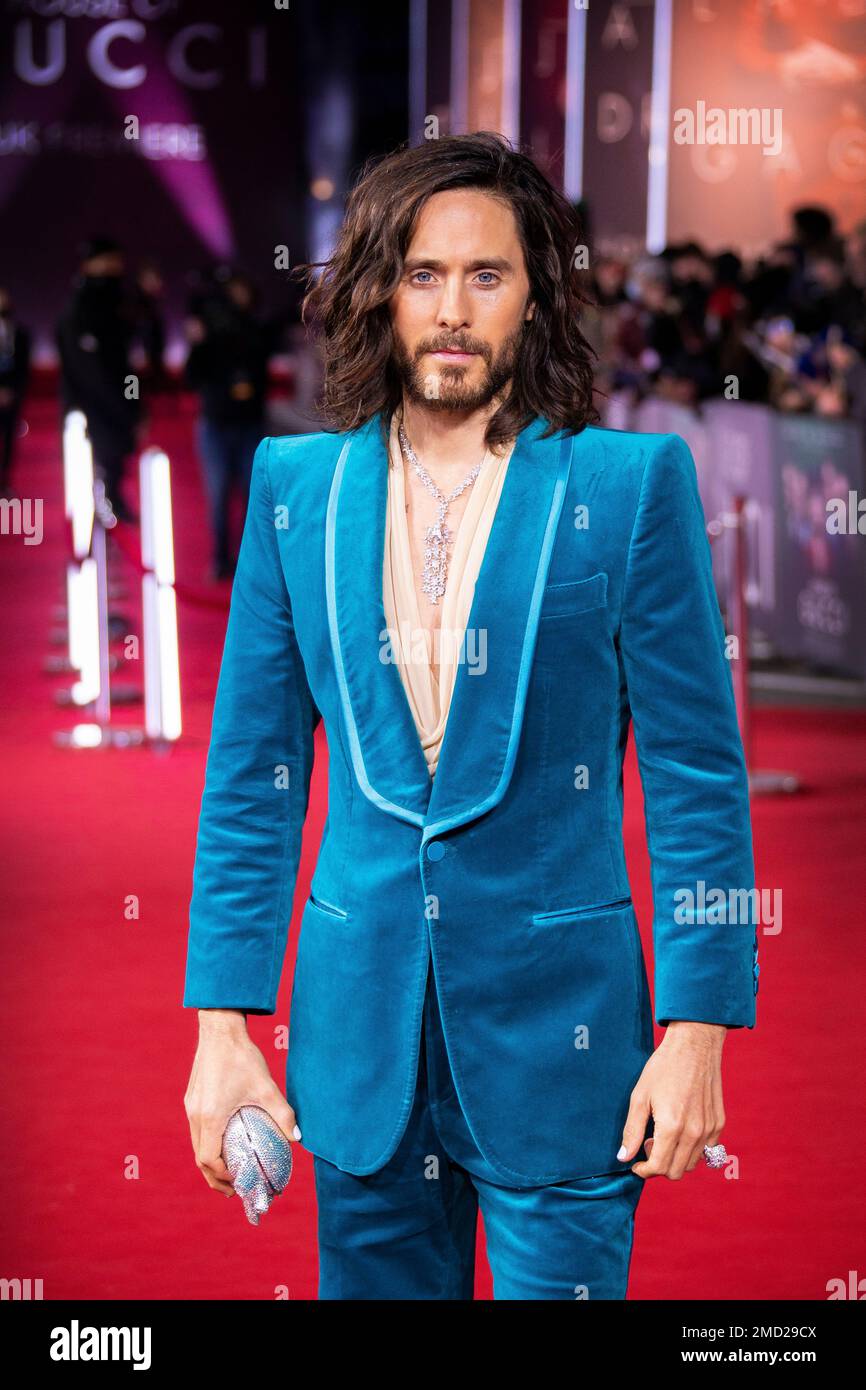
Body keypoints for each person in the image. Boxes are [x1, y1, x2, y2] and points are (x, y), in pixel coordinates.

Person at [182, 133, 759, 1301]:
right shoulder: (296, 489)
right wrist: (221, 1026)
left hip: (566, 1047)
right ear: (378, 292)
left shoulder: (626, 485)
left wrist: (697, 1027)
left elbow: (697, 777)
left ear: (535, 294)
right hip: (359, 1044)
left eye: (485, 274)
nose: (452, 310)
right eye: (422, 274)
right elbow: (251, 776)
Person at [184, 270, 278, 580]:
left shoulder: (256, 329)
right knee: (218, 496)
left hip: (249, 424)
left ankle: (252, 564)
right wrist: (199, 343)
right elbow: (191, 377)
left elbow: (264, 366)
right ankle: (220, 559)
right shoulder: (209, 332)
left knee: (254, 497)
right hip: (216, 425)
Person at [56, 236, 141, 523]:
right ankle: (99, 516)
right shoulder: (79, 308)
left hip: (119, 402)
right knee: (94, 470)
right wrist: (119, 404)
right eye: (104, 260)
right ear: (88, 264)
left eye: (115, 260)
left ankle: (111, 507)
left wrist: (134, 404)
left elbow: (129, 364)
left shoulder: (122, 303)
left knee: (116, 464)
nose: (112, 267)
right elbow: (84, 368)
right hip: (88, 408)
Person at [0, 287, 31, 496]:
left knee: (9, 441)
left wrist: (11, 392)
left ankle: (4, 483)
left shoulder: (20, 333)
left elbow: (23, 368)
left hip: (12, 397)